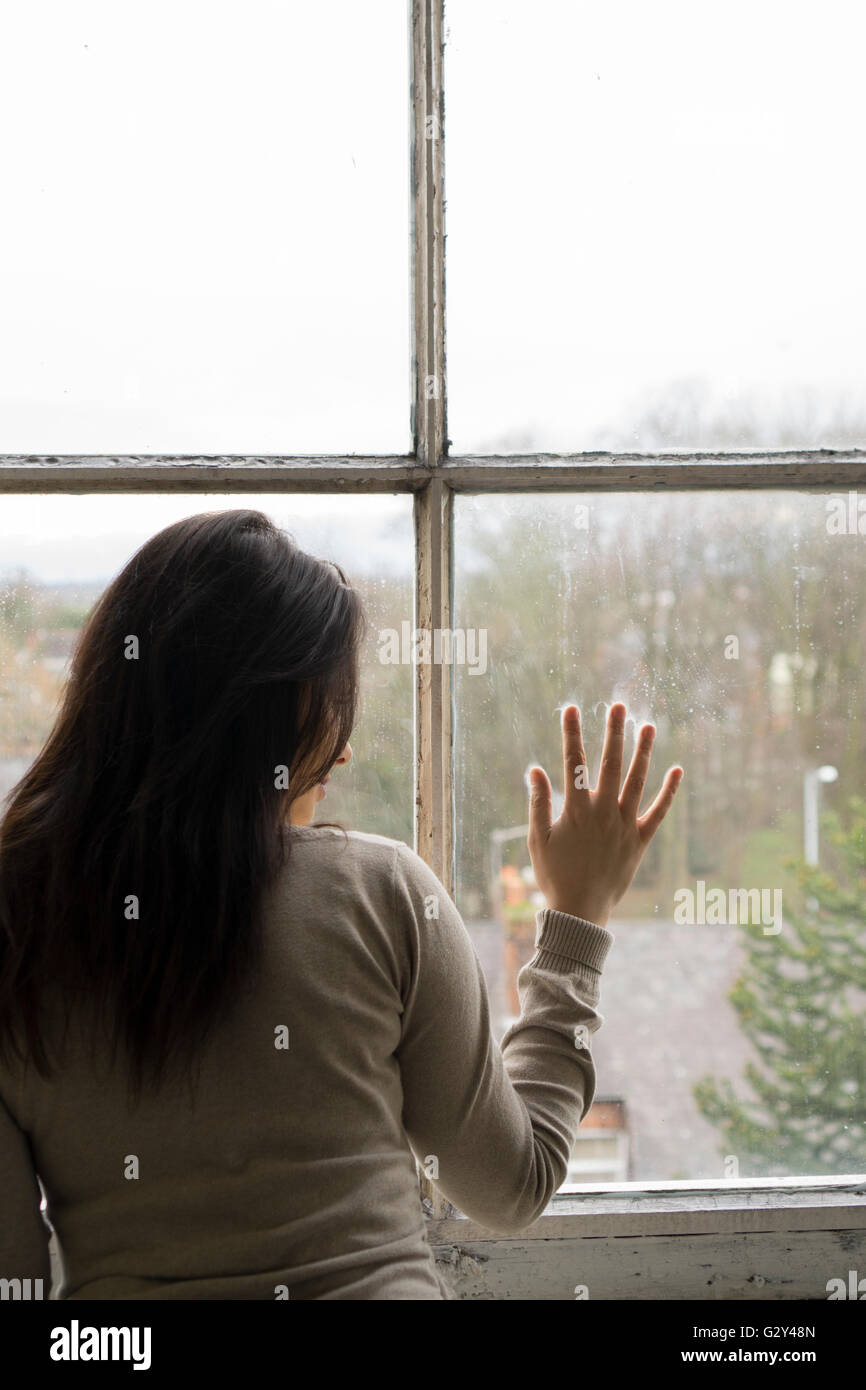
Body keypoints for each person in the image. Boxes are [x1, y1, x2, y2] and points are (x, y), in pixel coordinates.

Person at [0, 509, 682, 1300]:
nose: (346, 748)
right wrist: (575, 922)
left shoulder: (16, 923)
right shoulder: (381, 895)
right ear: (262, 717)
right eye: (327, 704)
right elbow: (510, 1185)